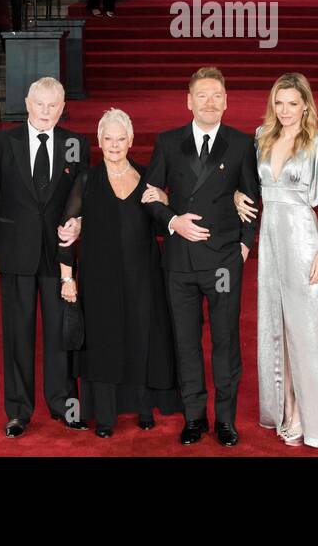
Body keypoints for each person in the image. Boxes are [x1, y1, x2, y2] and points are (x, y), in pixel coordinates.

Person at [140, 67, 261, 447]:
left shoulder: (241, 144)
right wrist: (173, 220)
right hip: (178, 262)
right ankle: (194, 417)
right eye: (203, 95)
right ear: (189, 101)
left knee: (226, 342)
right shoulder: (168, 141)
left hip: (224, 261)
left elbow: (253, 197)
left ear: (226, 101)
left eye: (217, 96)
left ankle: (225, 419)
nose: (210, 102)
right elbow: (149, 195)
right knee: (186, 342)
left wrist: (244, 246)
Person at [0, 77, 91, 437]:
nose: (46, 112)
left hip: (59, 257)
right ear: (27, 103)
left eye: (53, 105)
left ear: (62, 106)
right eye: (40, 104)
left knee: (60, 333)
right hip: (15, 252)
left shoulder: (75, 143)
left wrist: (79, 222)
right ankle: (18, 411)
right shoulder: (2, 142)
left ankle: (63, 404)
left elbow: (81, 195)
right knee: (18, 333)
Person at [56, 108, 181, 437]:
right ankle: (106, 417)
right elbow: (66, 232)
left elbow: (165, 222)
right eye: (108, 138)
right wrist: (67, 278)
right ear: (99, 140)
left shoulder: (146, 177)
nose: (114, 144)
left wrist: (166, 198)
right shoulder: (86, 179)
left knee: (141, 338)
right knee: (104, 342)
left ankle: (143, 408)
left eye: (120, 138)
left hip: (143, 275)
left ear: (131, 140)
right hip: (99, 279)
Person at [237, 73, 318, 448]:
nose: (284, 110)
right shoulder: (261, 137)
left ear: (305, 106)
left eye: (292, 104)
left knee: (307, 328)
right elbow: (248, 184)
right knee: (276, 322)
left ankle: (307, 416)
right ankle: (285, 405)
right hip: (270, 239)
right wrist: (237, 196)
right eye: (279, 103)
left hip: (302, 237)